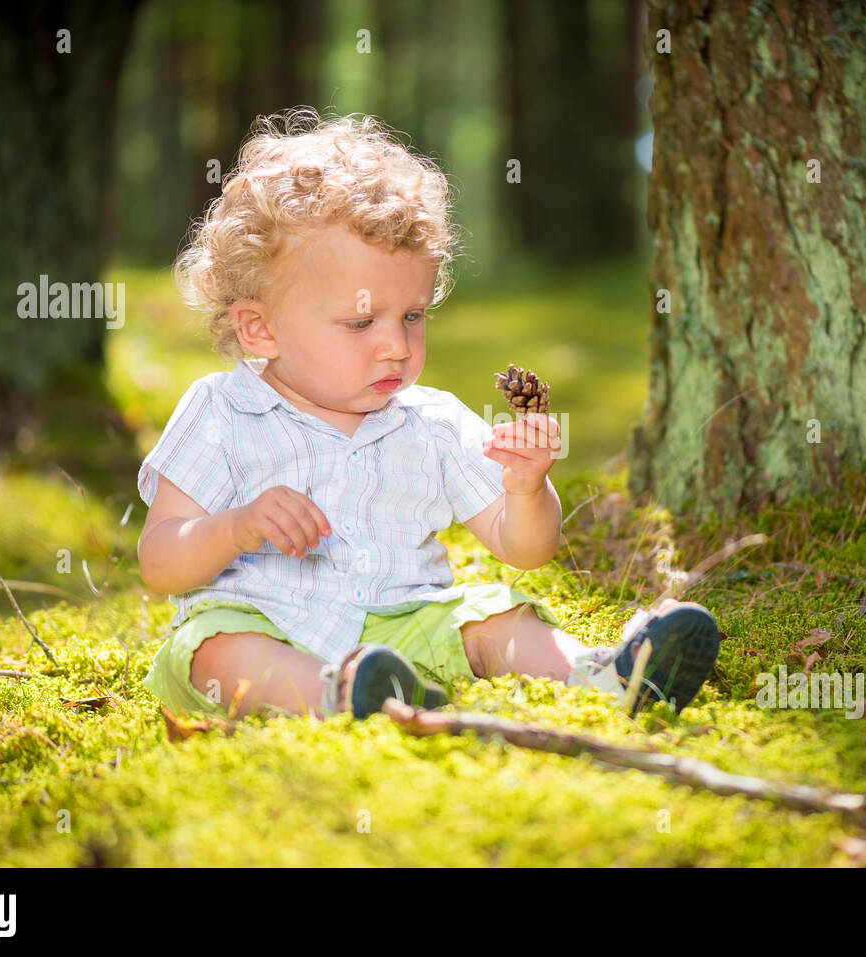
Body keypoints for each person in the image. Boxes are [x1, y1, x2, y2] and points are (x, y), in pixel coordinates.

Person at [136, 108, 722, 722]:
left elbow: (525, 549)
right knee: (216, 654)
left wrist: (527, 489)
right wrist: (236, 527)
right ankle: (341, 697)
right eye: (361, 322)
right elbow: (160, 560)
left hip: (407, 624)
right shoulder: (220, 411)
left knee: (496, 615)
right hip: (263, 622)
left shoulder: (432, 422)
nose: (396, 344)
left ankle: (603, 676)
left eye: (412, 316)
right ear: (259, 328)